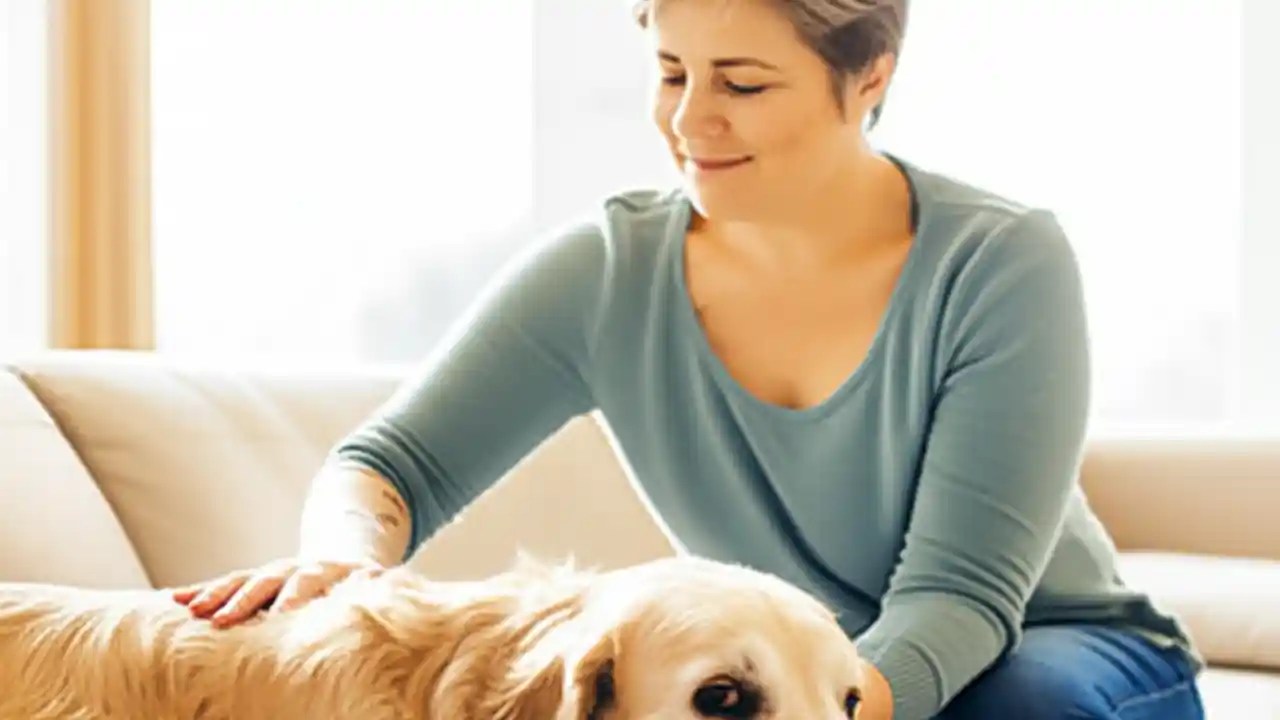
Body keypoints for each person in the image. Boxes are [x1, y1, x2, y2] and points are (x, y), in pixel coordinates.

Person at [170, 1, 1208, 718]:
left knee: (1016, 706)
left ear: (869, 81)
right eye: (670, 73)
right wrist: (344, 562)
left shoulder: (1000, 260)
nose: (687, 120)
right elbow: (390, 464)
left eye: (743, 84)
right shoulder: (607, 273)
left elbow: (959, 602)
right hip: (772, 680)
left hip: (1048, 651)